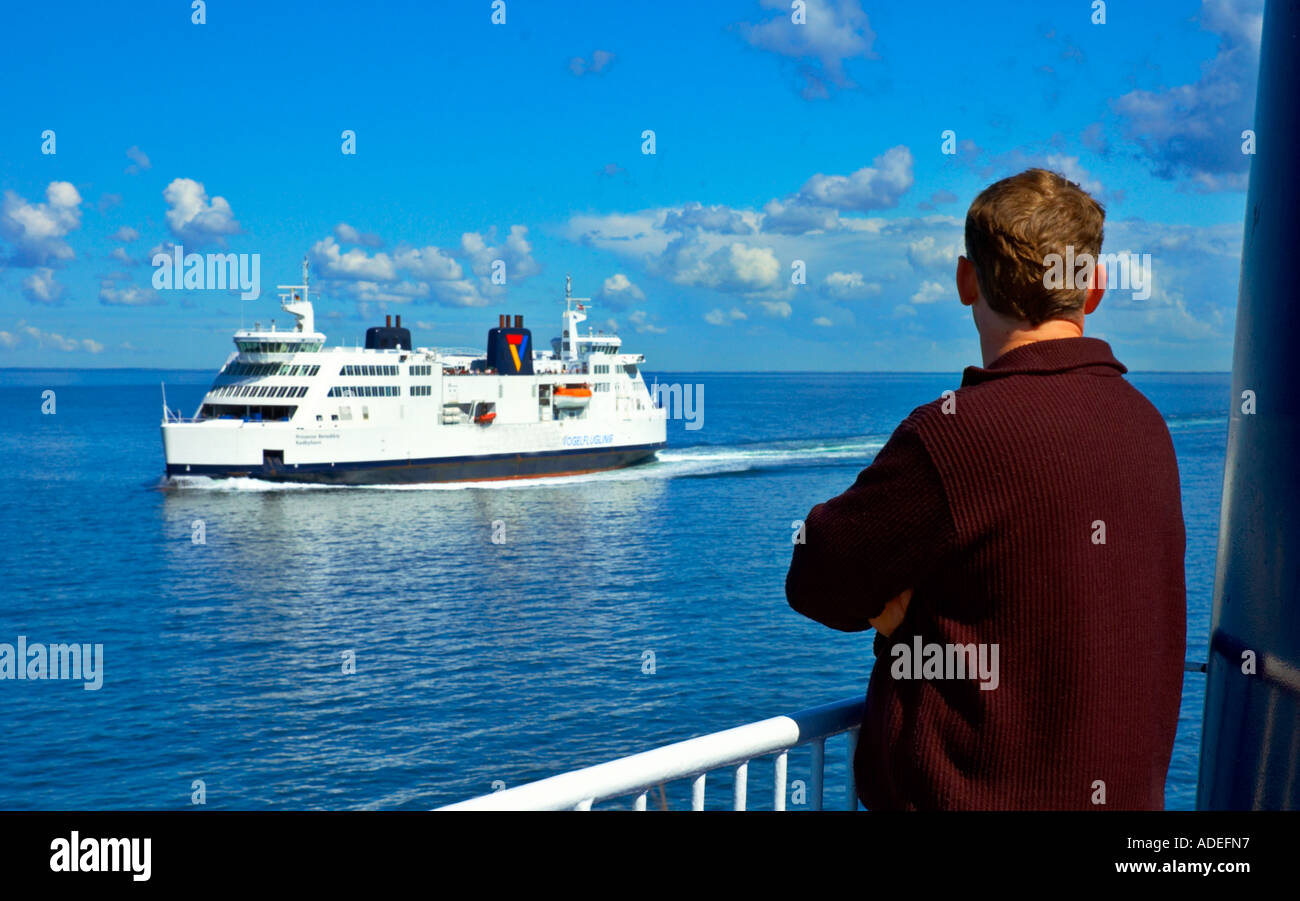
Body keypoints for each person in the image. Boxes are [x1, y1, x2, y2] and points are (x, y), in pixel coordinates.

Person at [786, 168, 1186, 810]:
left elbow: (816, 576)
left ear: (965, 279)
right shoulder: (1146, 425)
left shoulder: (954, 436)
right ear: (1094, 288)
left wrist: (899, 617)